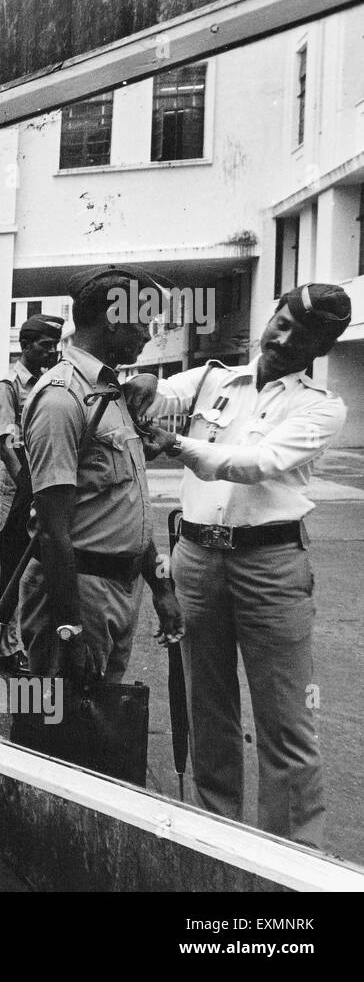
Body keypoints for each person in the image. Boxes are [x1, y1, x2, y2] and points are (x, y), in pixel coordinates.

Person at [129, 283, 351, 848]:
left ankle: (292, 854)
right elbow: (154, 396)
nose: (281, 337)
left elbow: (258, 464)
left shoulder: (321, 407)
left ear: (321, 348)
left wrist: (177, 446)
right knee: (210, 707)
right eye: (280, 321)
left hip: (271, 564)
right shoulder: (210, 380)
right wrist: (146, 382)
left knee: (286, 720)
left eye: (301, 335)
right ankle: (215, 837)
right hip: (197, 558)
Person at [18, 266, 181, 684]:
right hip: (80, 593)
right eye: (143, 321)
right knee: (63, 732)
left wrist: (161, 588)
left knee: (102, 727)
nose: (149, 334)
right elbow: (53, 529)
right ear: (114, 317)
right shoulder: (62, 398)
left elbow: (124, 503)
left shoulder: (111, 393)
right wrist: (69, 627)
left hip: (120, 590)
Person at [0, 315, 62, 675]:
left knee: (39, 567)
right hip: (18, 488)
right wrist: (27, 487)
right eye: (45, 345)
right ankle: (5, 648)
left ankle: (29, 641)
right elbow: (6, 444)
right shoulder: (8, 385)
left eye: (54, 345)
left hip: (41, 485)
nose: (52, 351)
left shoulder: (50, 384)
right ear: (26, 346)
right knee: (12, 570)